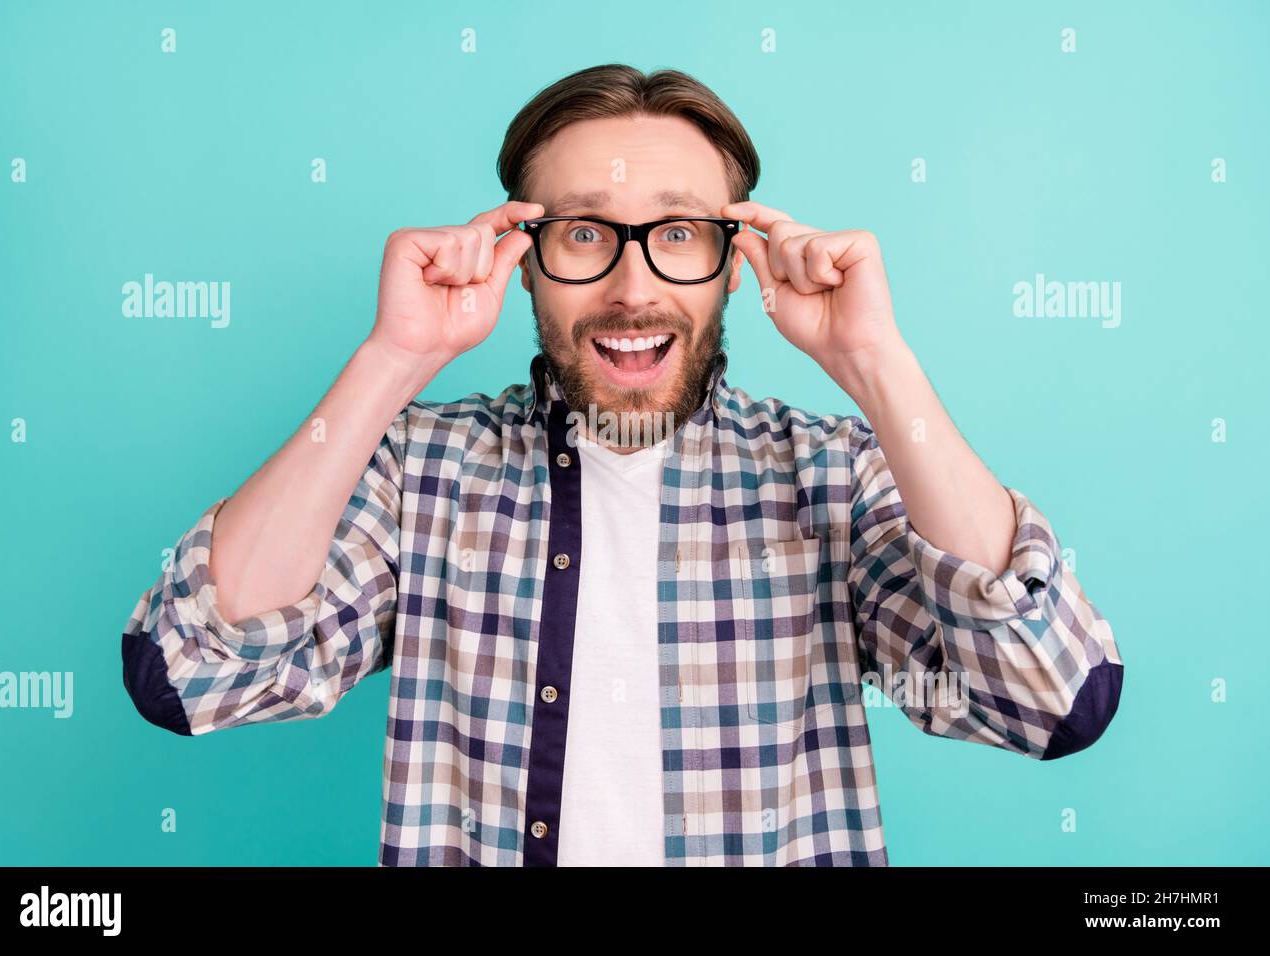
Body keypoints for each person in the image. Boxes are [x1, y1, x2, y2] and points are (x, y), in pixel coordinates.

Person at [120, 63, 1124, 867]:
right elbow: (188, 671)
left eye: (679, 233)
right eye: (585, 234)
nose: (632, 284)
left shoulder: (834, 475)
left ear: (735, 258)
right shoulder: (417, 472)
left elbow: (1053, 697)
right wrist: (394, 358)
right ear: (520, 253)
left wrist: (874, 363)